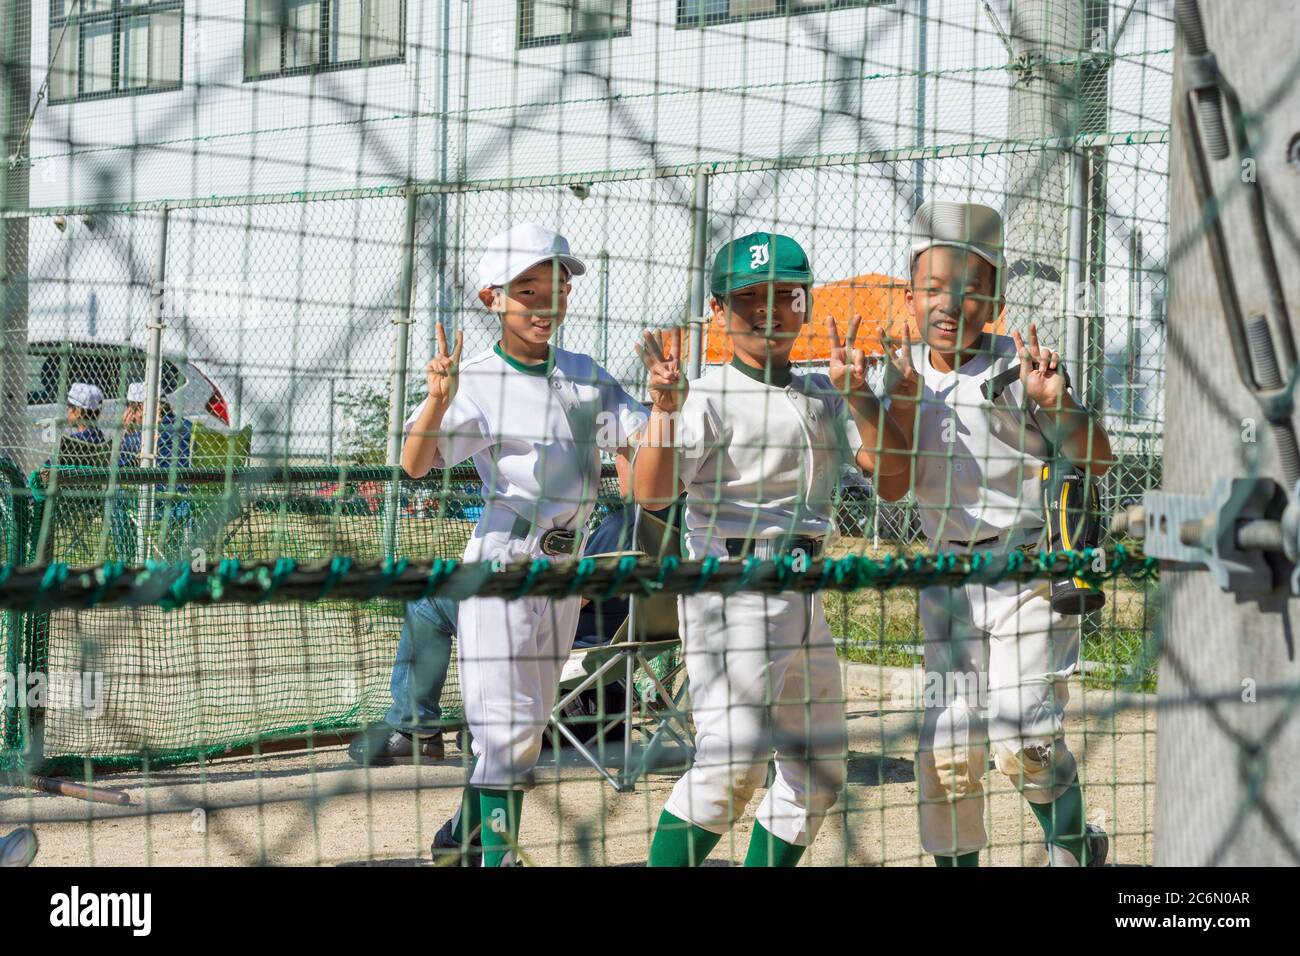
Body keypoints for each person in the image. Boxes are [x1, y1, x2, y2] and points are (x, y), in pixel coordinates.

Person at [633, 231, 909, 866]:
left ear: (804, 305)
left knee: (820, 773)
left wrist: (861, 392)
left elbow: (893, 483)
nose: (768, 311)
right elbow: (651, 495)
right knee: (732, 769)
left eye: (785, 296)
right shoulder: (704, 395)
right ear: (718, 311)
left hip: (803, 593)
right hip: (731, 587)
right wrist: (663, 409)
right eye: (748, 298)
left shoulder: (825, 393)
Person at [872, 200, 1113, 867]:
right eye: (933, 287)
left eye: (971, 288)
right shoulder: (897, 375)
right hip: (947, 584)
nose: (952, 304)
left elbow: (1097, 457)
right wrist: (889, 403)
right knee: (946, 756)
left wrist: (1057, 402)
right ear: (910, 296)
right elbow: (890, 486)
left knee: (1024, 741)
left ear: (996, 299)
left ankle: (1075, 848)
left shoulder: (1018, 368)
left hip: (1025, 575)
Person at [401, 223, 644, 867]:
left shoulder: (586, 374)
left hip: (566, 568)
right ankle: (495, 857)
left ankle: (462, 836)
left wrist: (669, 409)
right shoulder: (477, 378)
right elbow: (416, 463)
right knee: (505, 735)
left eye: (555, 287)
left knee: (525, 736)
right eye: (526, 289)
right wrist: (435, 401)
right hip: (503, 567)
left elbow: (642, 447)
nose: (545, 302)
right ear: (492, 299)